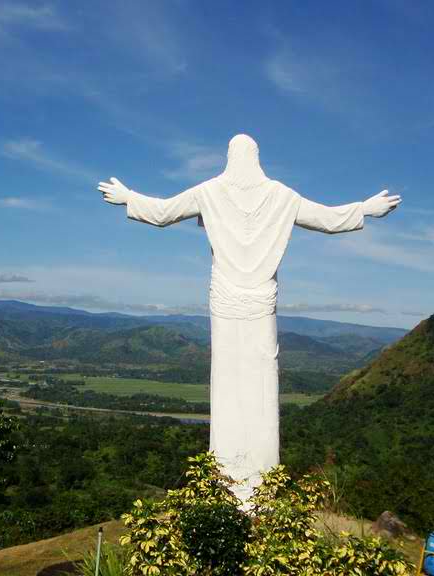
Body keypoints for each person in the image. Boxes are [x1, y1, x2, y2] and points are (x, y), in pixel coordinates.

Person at [99, 134, 401, 501]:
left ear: (229, 157)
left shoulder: (210, 191)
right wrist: (364, 208)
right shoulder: (281, 195)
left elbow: (162, 213)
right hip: (260, 304)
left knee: (226, 386)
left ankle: (230, 484)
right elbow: (327, 218)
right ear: (257, 157)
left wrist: (129, 198)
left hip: (226, 302)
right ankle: (256, 485)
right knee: (261, 387)